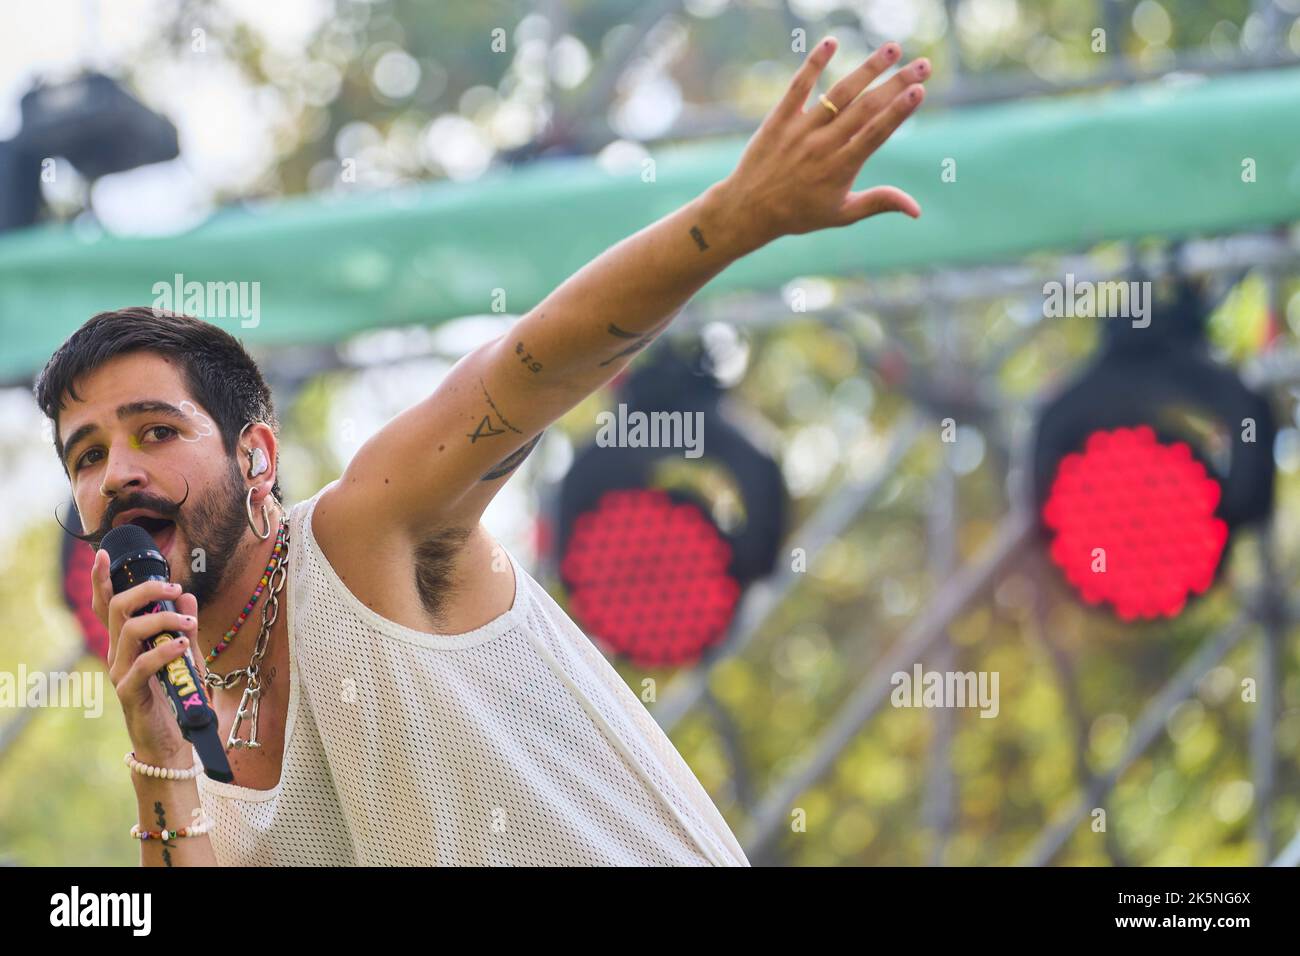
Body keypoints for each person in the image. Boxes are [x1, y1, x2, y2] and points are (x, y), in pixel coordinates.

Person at [33, 37, 931, 865]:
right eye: (86, 455)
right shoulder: (183, 740)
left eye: (157, 430)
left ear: (257, 455)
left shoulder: (362, 535)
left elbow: (524, 368)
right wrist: (155, 753)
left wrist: (738, 217)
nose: (118, 474)